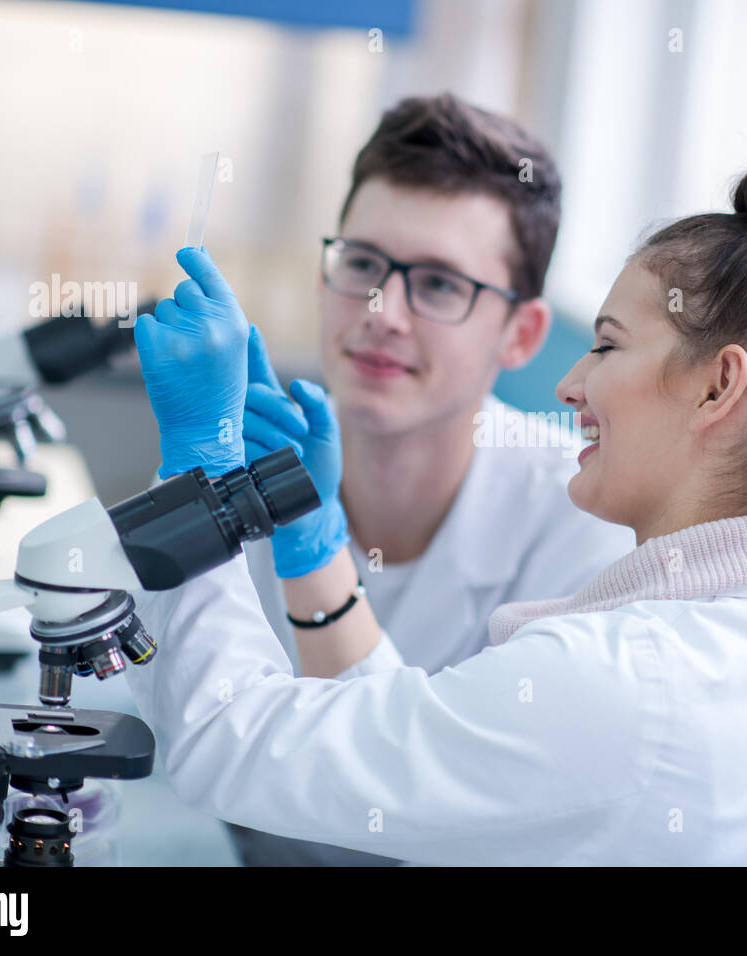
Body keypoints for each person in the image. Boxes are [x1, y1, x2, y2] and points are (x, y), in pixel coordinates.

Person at [124, 158, 747, 865]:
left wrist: (200, 465)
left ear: (716, 388)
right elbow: (417, 744)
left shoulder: (626, 680)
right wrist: (316, 547)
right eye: (360, 265)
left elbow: (231, 743)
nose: (571, 385)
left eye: (606, 346)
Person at [239, 94, 634, 864]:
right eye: (361, 265)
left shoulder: (582, 526)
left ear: (520, 335)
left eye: (441, 285)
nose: (383, 313)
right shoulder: (243, 466)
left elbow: (466, 809)